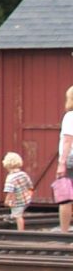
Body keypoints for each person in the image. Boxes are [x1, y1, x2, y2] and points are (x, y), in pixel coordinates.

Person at [2, 151, 34, 232]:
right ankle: (11, 217)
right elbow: (30, 185)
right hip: (26, 199)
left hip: (17, 201)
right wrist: (30, 194)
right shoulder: (23, 174)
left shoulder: (10, 178)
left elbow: (10, 191)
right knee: (18, 212)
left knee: (18, 216)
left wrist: (6, 200)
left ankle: (21, 231)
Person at [57, 83, 73, 233]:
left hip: (70, 160)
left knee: (66, 197)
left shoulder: (70, 116)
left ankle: (64, 232)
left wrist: (62, 163)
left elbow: (68, 140)